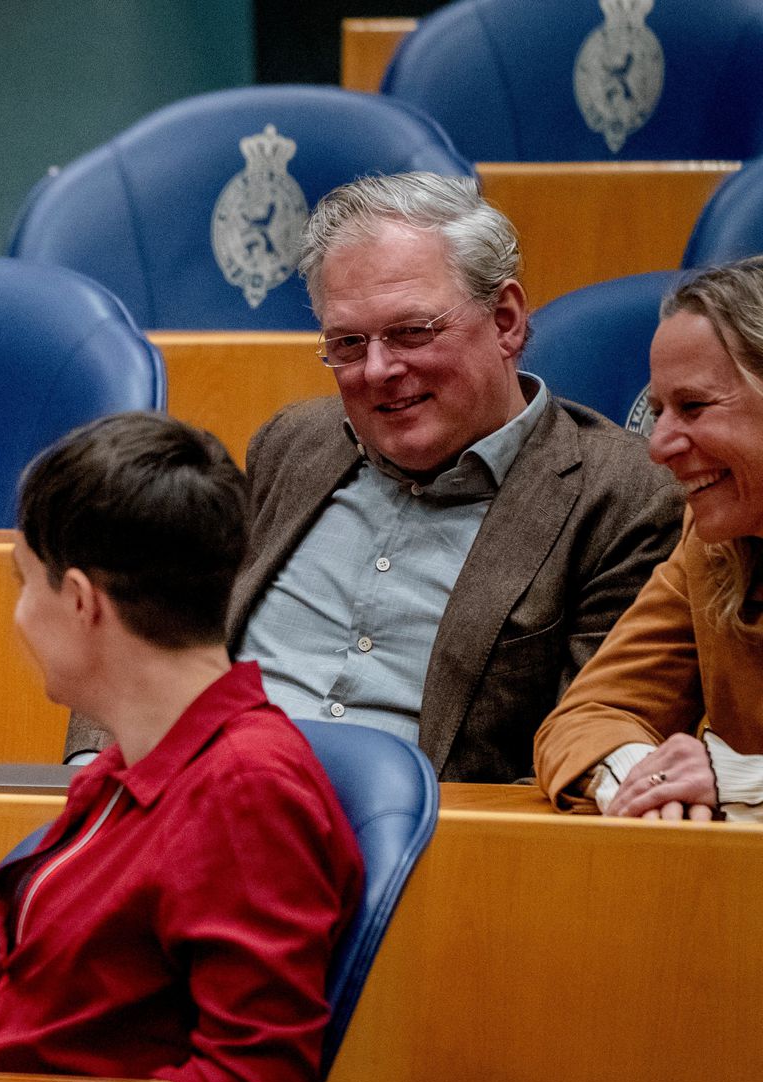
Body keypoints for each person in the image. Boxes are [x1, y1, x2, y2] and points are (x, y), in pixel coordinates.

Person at [64, 173, 681, 782]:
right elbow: (155, 617)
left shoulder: (622, 497)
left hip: (413, 852)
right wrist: (95, 772)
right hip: (194, 809)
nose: (378, 369)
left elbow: (592, 740)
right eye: (349, 343)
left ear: (505, 320)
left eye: (412, 332)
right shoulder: (296, 443)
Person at [0, 412, 363, 1082]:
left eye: (25, 583)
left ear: (83, 602)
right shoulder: (125, 771)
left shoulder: (246, 788)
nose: (21, 616)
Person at [536, 258, 763, 821]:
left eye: (693, 407)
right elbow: (588, 714)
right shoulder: (714, 543)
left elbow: (726, 778)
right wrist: (650, 782)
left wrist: (735, 779)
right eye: (659, 412)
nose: (657, 447)